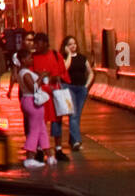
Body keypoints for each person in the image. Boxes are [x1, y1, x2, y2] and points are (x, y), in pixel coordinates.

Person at [30, 32, 71, 163]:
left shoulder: (55, 55)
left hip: (54, 94)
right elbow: (30, 74)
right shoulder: (32, 58)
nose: (35, 46)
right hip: (39, 95)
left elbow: (61, 74)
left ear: (46, 43)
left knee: (56, 122)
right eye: (34, 43)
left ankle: (58, 149)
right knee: (40, 122)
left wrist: (47, 77)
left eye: (38, 43)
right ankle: (40, 150)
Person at [57, 36, 94, 153]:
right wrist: (68, 55)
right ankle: (77, 141)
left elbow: (90, 72)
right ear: (65, 47)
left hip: (81, 89)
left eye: (74, 44)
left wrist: (86, 86)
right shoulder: (63, 58)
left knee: (77, 116)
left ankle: (72, 141)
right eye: (70, 44)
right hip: (68, 88)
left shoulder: (82, 58)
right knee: (73, 114)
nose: (73, 46)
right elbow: (64, 68)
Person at [17, 47, 50, 168]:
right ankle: (30, 157)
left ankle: (49, 155)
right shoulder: (25, 73)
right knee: (35, 130)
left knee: (41, 128)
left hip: (28, 100)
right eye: (29, 58)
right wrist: (42, 77)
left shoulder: (23, 71)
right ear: (23, 59)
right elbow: (34, 88)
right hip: (31, 100)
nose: (31, 59)